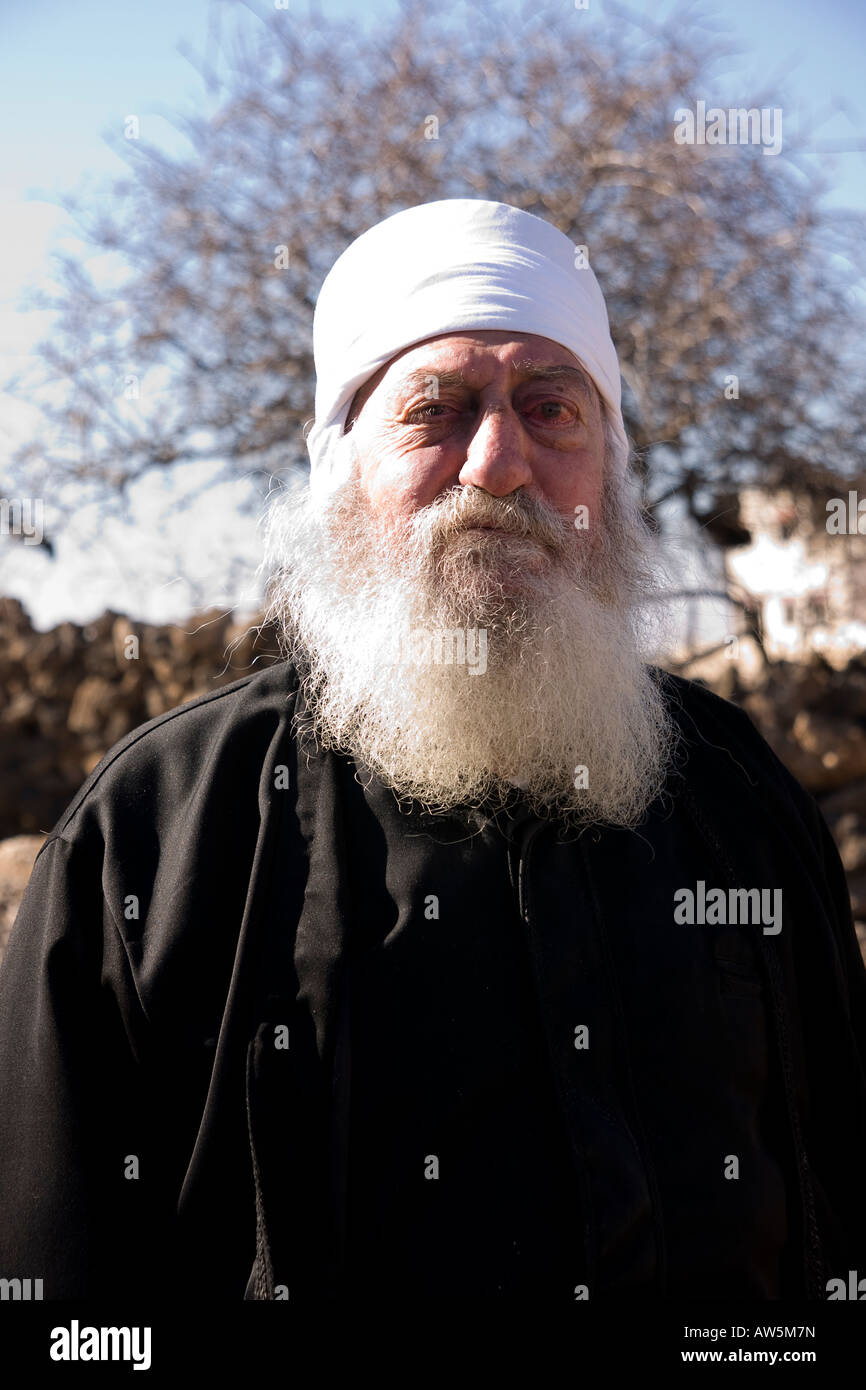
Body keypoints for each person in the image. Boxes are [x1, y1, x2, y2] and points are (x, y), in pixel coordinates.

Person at [0, 199, 864, 1304]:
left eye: (551, 409)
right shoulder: (154, 832)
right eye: (436, 411)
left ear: (609, 469)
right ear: (335, 470)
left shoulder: (733, 791)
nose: (499, 464)